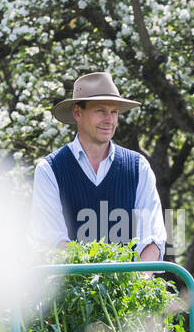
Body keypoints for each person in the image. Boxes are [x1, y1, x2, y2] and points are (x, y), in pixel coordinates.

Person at [30, 72, 167, 261]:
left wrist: (138, 282)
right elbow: (53, 240)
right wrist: (95, 282)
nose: (109, 120)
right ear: (77, 112)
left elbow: (152, 238)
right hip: (71, 287)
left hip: (131, 285)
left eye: (114, 112)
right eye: (100, 111)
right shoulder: (49, 169)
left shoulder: (138, 167)